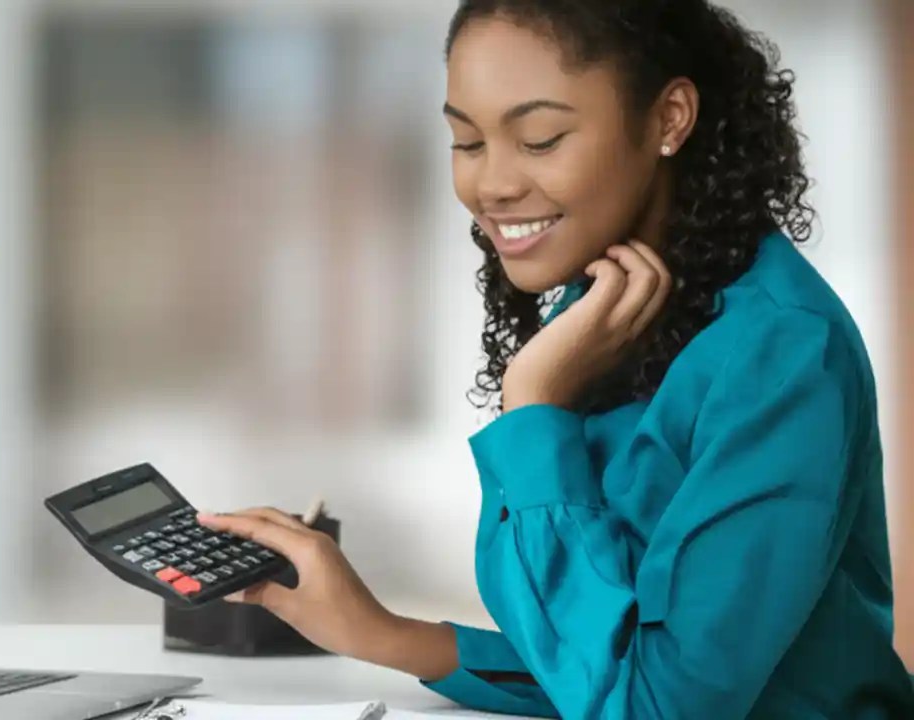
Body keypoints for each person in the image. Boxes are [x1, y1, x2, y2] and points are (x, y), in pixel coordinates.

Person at [196, 1, 914, 718]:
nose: (493, 185)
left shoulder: (782, 355)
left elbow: (656, 704)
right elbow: (602, 658)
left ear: (669, 119)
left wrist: (535, 403)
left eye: (539, 139)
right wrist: (382, 633)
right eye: (468, 143)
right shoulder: (609, 307)